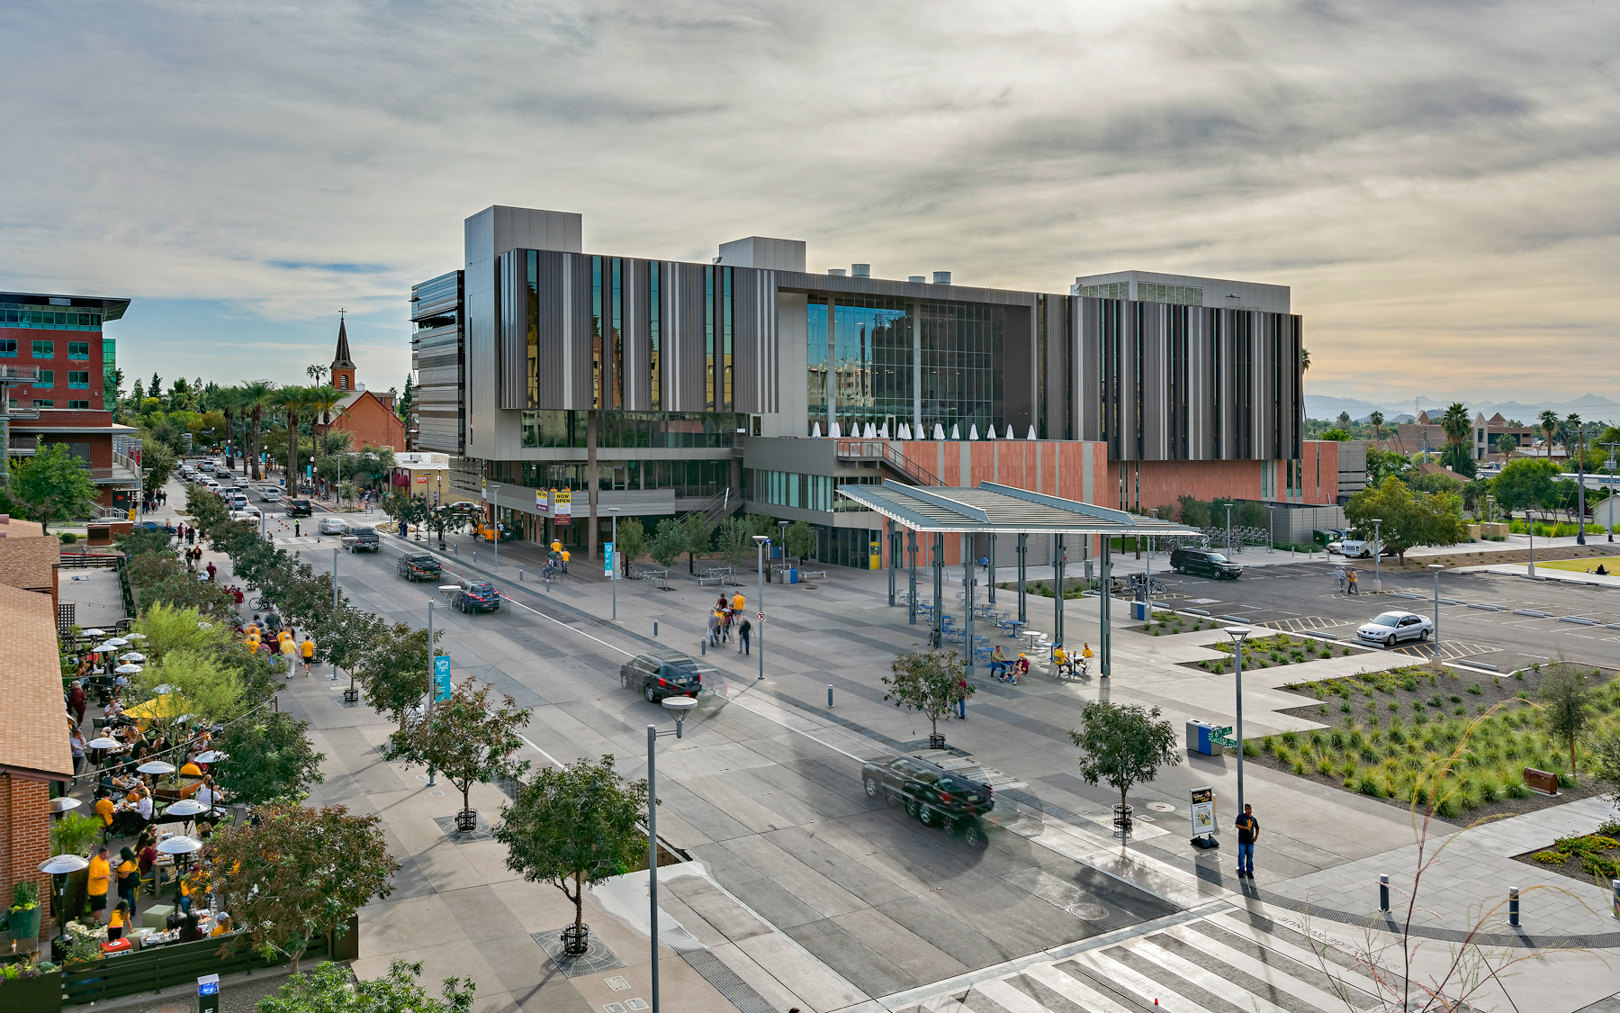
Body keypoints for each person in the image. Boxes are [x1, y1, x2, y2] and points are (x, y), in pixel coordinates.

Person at [87, 846, 112, 922]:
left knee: (100, 907)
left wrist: (109, 866)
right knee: (97, 908)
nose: (106, 856)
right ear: (100, 854)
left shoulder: (103, 860)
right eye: (104, 854)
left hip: (102, 889)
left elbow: (103, 868)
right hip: (96, 891)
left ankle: (97, 922)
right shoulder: (95, 863)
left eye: (107, 854)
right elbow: (93, 876)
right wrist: (104, 877)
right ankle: (96, 923)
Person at [1235, 803, 1259, 879]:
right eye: (1248, 810)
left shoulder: (1253, 819)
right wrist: (1245, 828)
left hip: (1250, 842)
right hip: (1242, 841)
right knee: (1241, 857)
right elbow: (1237, 825)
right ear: (1245, 810)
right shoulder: (1241, 817)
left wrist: (1256, 837)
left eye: (1250, 809)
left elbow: (1257, 828)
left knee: (1250, 857)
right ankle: (1241, 871)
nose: (1249, 811)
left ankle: (1250, 872)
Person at [116, 847, 140, 913]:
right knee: (131, 896)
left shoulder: (126, 864)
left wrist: (116, 873)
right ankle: (132, 911)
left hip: (126, 883)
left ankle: (127, 914)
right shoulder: (134, 859)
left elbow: (124, 876)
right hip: (132, 880)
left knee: (127, 899)